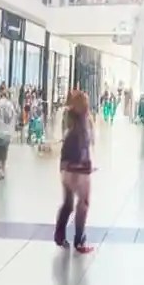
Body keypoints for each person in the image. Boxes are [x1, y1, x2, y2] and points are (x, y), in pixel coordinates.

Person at [55, 90, 95, 253]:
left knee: (68, 203)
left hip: (66, 168)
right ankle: (79, 240)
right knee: (83, 204)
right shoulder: (84, 121)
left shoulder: (68, 118)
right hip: (79, 168)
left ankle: (59, 234)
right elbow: (85, 145)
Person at [0, 87, 17, 180]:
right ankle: (3, 170)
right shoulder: (10, 105)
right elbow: (13, 119)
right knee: (4, 152)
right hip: (7, 133)